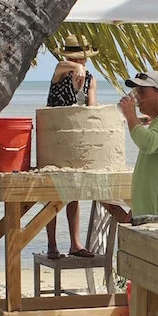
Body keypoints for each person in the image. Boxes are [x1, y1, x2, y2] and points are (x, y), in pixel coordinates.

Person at [43, 33, 101, 260]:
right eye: (76, 59)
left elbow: (91, 108)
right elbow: (60, 65)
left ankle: (76, 244)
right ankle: (52, 245)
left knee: (74, 195)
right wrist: (74, 67)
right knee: (52, 194)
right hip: (55, 137)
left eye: (82, 59)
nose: (80, 63)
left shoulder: (91, 79)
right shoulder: (59, 73)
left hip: (76, 140)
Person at [116, 71, 158, 223]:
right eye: (136, 92)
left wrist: (131, 116)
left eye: (142, 92)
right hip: (152, 210)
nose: (137, 97)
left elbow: (148, 143)